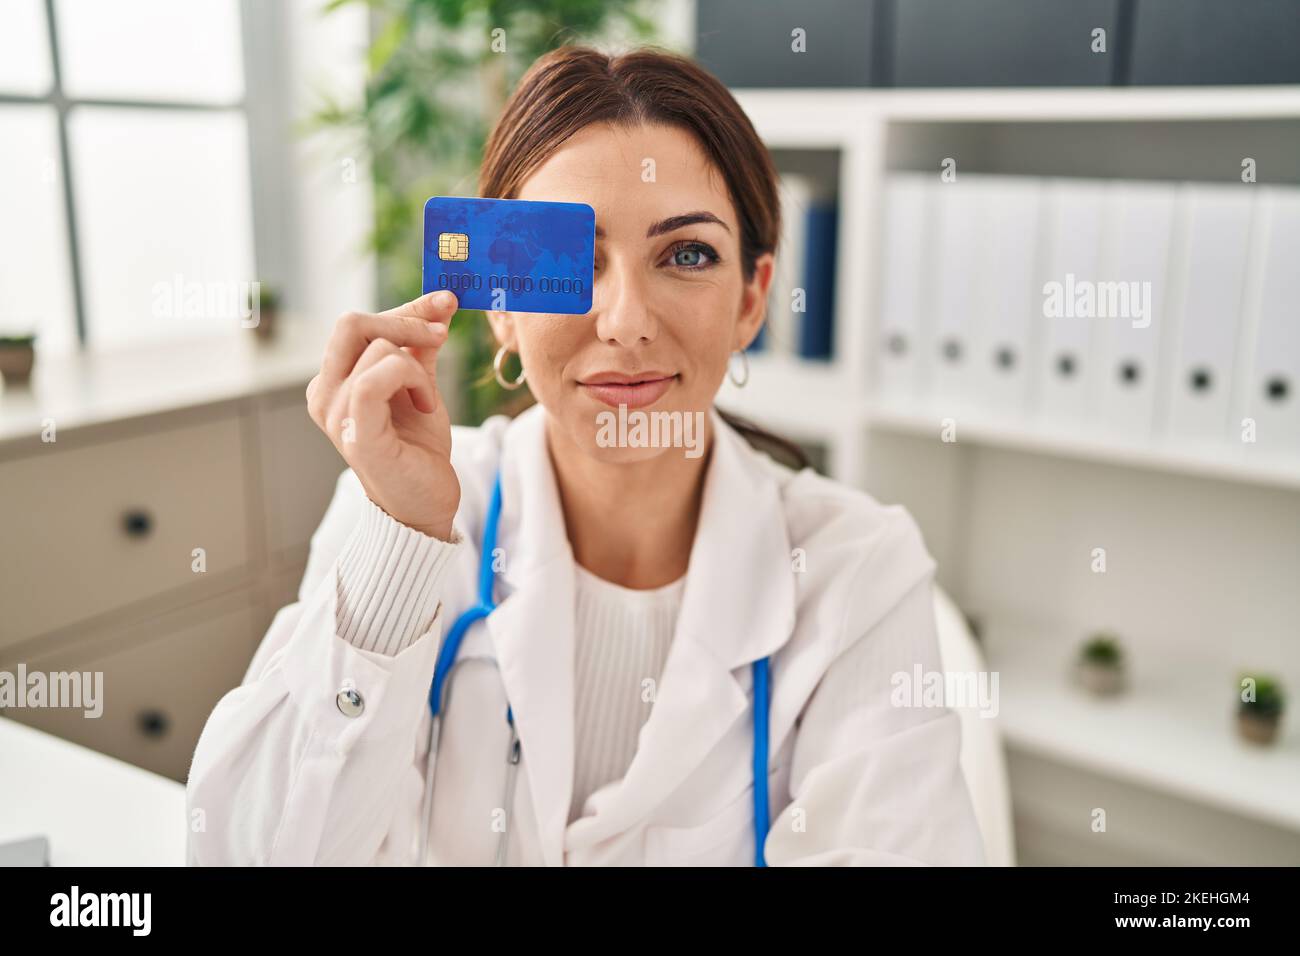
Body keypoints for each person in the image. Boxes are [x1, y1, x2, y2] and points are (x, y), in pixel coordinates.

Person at [186, 45, 986, 867]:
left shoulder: (860, 570)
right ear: (500, 307)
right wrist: (400, 542)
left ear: (750, 300)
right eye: (574, 262)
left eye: (686, 255)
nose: (626, 322)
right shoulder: (398, 509)